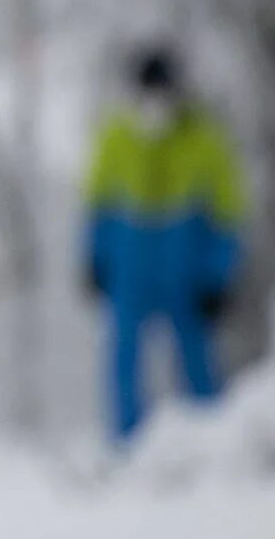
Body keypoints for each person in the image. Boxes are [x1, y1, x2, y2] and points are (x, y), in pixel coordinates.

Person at [84, 46, 246, 442]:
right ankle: (126, 442)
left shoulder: (203, 140)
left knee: (196, 354)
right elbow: (97, 205)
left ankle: (211, 439)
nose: (154, 106)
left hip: (184, 263)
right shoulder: (117, 137)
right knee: (124, 355)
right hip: (130, 261)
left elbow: (228, 214)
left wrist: (218, 275)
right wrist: (94, 260)